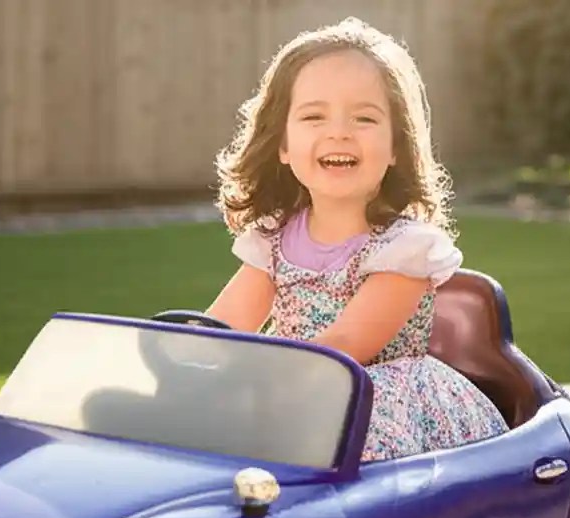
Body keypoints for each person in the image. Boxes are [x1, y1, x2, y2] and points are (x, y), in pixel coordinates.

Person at [205, 17, 507, 462]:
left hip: (374, 401)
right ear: (283, 146)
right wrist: (171, 353)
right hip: (296, 391)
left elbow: (346, 344)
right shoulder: (272, 240)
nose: (339, 132)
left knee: (328, 441)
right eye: (314, 116)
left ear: (395, 147)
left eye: (364, 118)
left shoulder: (405, 249)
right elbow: (223, 326)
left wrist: (258, 384)